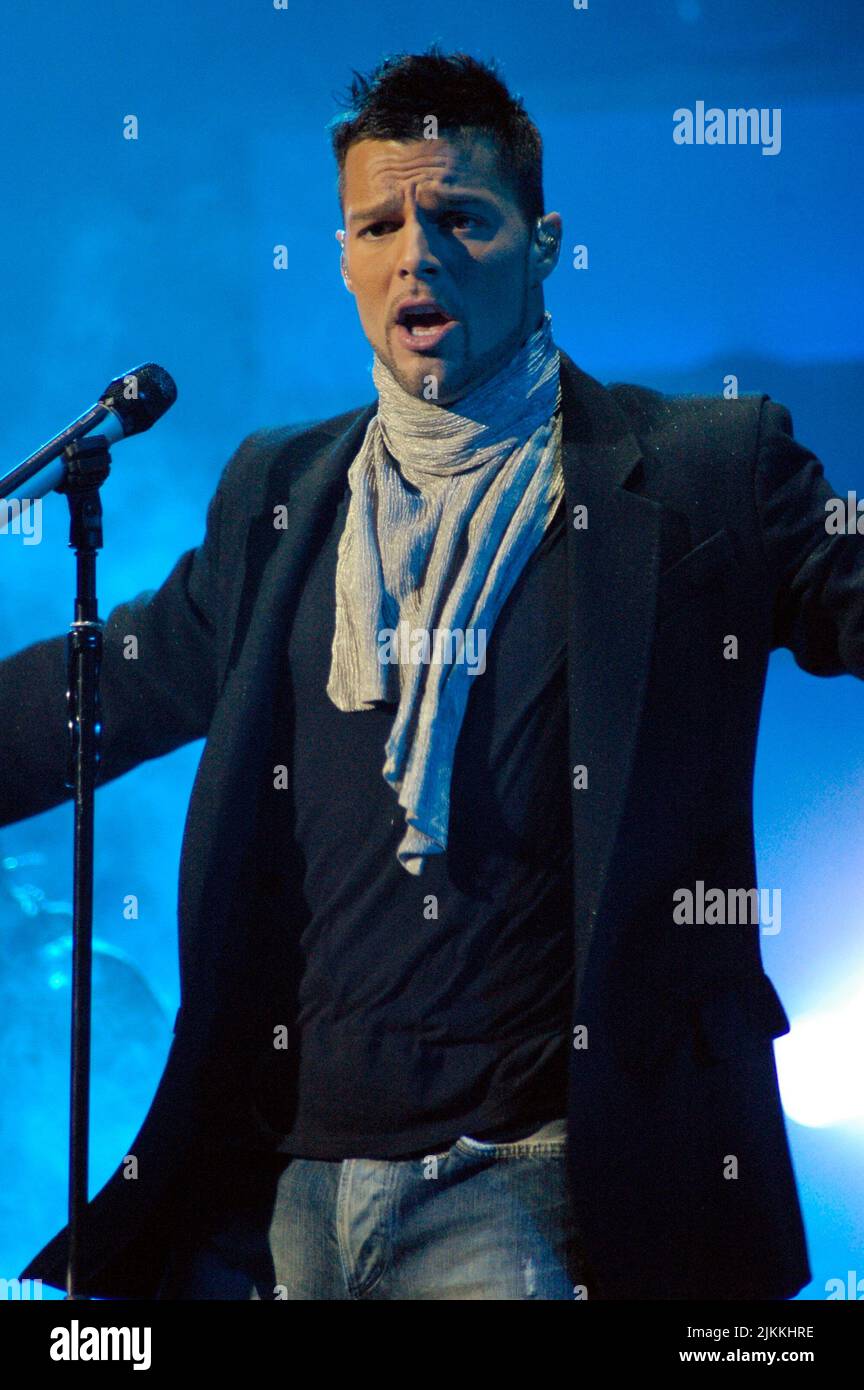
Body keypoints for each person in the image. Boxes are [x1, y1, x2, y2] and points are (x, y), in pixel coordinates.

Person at [6, 46, 860, 1300]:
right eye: (380, 222)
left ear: (543, 240)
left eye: (460, 216)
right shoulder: (282, 497)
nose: (419, 252)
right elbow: (106, 687)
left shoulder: (695, 476)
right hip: (295, 1183)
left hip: (538, 1180)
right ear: (345, 253)